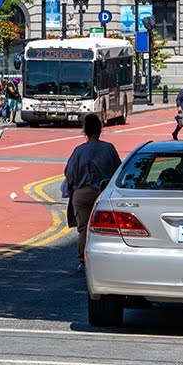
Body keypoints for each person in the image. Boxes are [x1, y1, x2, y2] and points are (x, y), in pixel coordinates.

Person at [64, 114, 122, 270]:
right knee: (106, 228)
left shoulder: (79, 150)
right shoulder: (108, 148)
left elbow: (69, 173)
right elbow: (119, 170)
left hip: (82, 193)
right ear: (100, 130)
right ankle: (106, 258)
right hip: (103, 193)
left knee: (83, 228)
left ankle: (83, 260)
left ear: (85, 131)